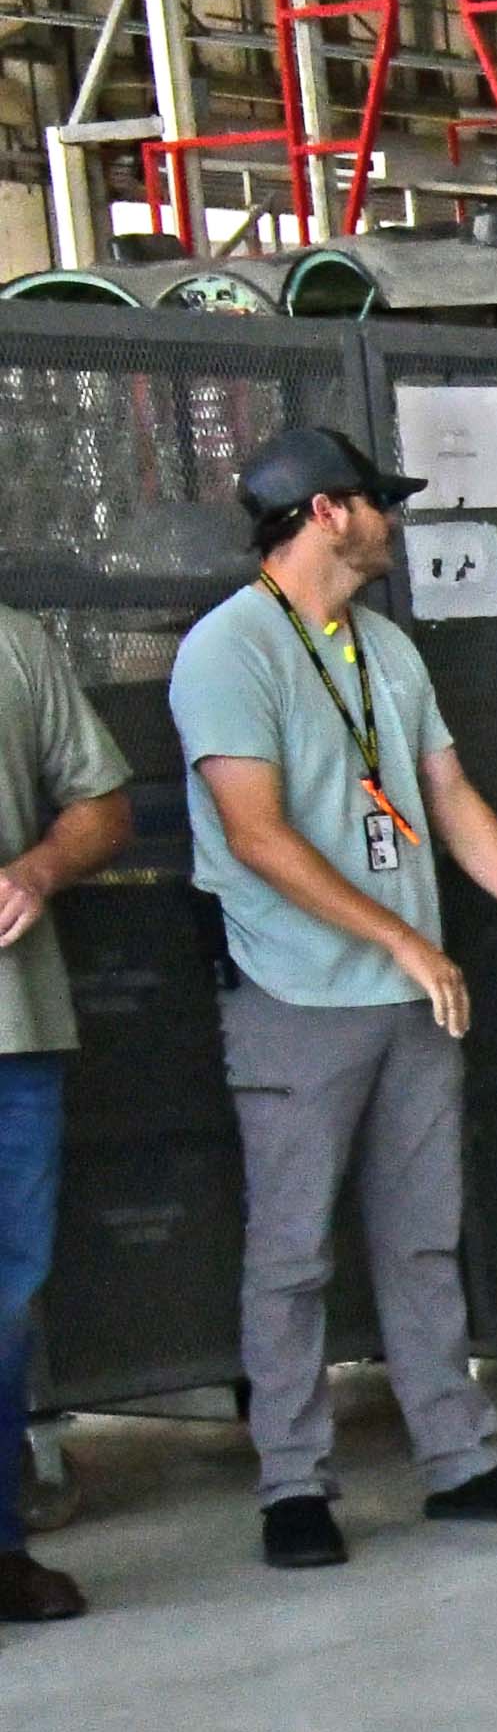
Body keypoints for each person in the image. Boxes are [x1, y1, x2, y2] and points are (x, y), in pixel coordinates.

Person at [170, 423, 497, 1564]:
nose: (393, 520)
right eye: (376, 501)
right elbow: (256, 836)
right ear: (323, 513)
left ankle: (458, 1459)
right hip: (295, 995)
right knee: (293, 1250)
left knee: (421, 1239)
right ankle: (292, 1486)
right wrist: (406, 943)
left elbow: (449, 798)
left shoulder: (386, 650)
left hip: (415, 998)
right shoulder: (230, 652)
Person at [0, 600, 139, 1623]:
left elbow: (102, 803)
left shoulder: (14, 644)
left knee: (6, 1296)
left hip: (14, 1029)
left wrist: (38, 870)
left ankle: (0, 1545)